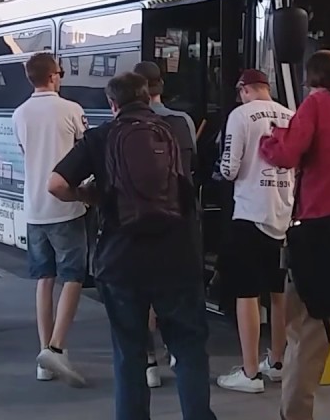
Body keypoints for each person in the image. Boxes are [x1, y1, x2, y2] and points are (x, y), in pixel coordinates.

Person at [48, 72, 216, 420]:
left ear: (113, 104)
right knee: (189, 349)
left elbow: (55, 184)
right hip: (178, 257)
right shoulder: (178, 130)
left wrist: (87, 195)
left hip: (121, 260)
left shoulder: (100, 137)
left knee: (130, 353)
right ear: (148, 95)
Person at [259, 50, 330, 420]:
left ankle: (296, 415)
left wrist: (269, 140)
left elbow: (287, 154)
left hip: (321, 234)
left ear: (313, 78)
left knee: (307, 339)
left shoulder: (317, 104)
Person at [12, 52, 89, 386]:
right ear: (53, 76)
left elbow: (26, 154)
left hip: (34, 208)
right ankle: (56, 347)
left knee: (44, 279)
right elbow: (84, 154)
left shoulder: (19, 114)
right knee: (73, 276)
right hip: (66, 206)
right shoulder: (71, 110)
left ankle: (44, 355)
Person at [217, 69, 295, 394]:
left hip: (249, 212)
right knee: (279, 293)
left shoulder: (240, 115)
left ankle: (249, 373)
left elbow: (229, 168)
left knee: (246, 294)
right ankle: (277, 362)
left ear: (244, 89)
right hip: (284, 213)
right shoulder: (291, 114)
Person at [133, 61, 199, 388]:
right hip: (179, 220)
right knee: (175, 290)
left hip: (140, 222)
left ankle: (149, 364)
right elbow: (192, 165)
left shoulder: (125, 126)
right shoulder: (182, 121)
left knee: (143, 294)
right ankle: (176, 351)